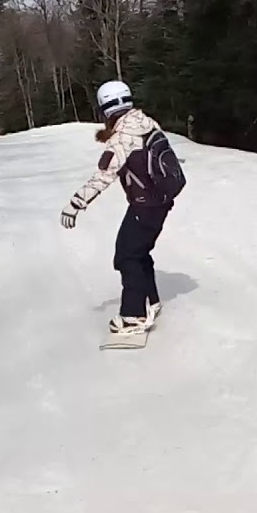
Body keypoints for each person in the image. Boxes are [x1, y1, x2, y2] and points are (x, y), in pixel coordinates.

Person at [60, 80, 185, 335]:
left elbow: (104, 176)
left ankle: (133, 316)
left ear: (105, 108)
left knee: (126, 257)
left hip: (145, 205)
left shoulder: (122, 137)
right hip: (159, 201)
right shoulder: (146, 123)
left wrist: (76, 204)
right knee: (139, 251)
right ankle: (150, 299)